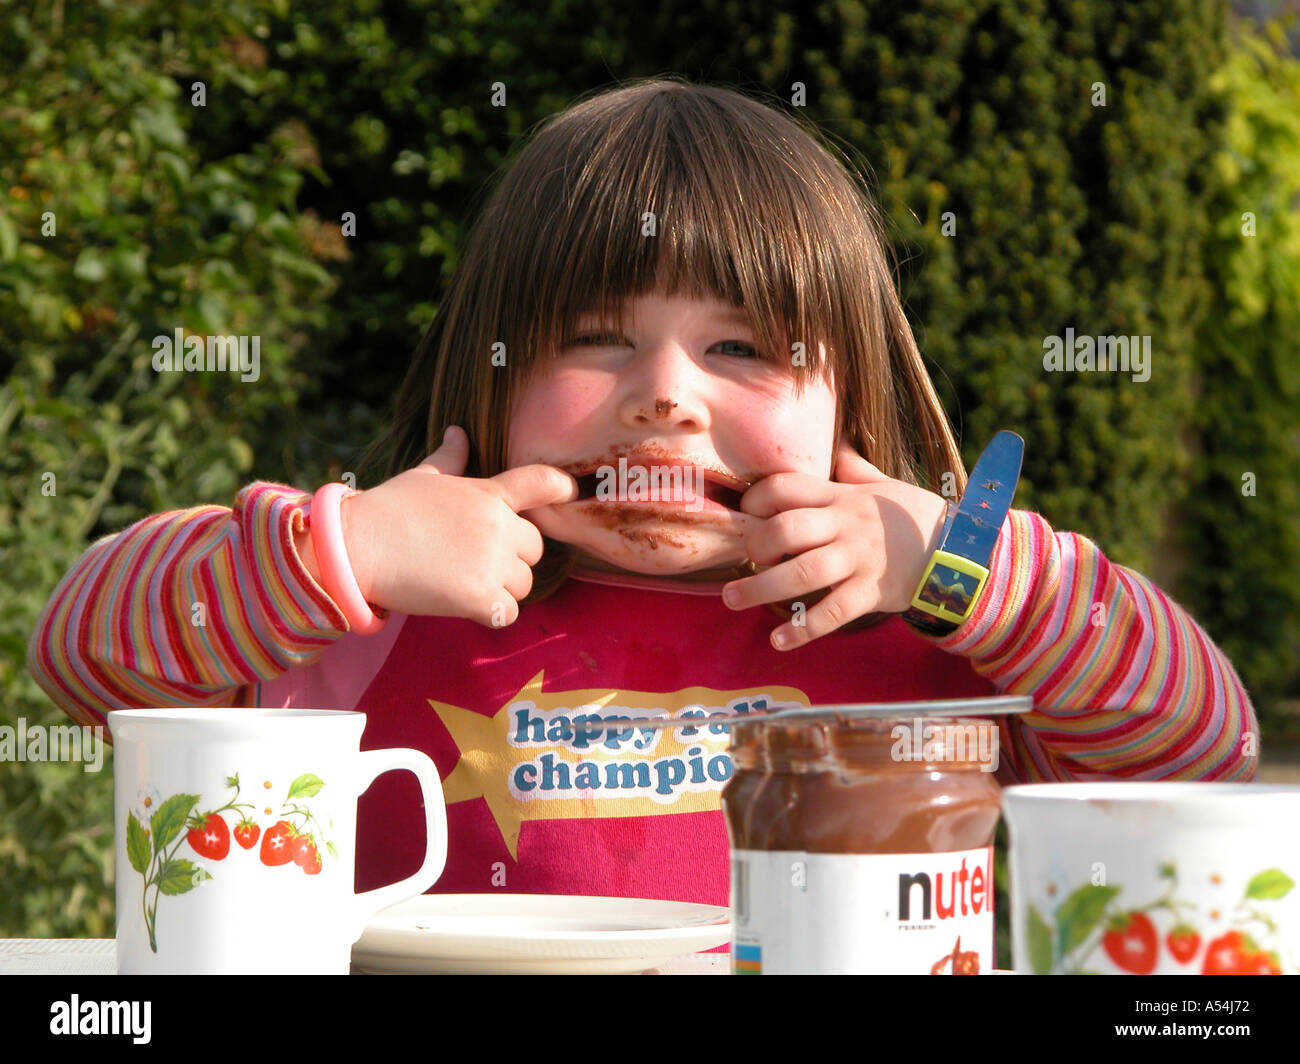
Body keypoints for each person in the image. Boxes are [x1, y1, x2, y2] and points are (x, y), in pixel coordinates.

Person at [28, 78, 1257, 906]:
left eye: (740, 349)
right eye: (595, 338)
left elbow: (1202, 753)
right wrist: (341, 546)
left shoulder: (935, 639)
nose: (664, 395)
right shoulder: (368, 606)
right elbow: (88, 653)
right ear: (491, 372)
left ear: (849, 401)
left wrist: (967, 570)